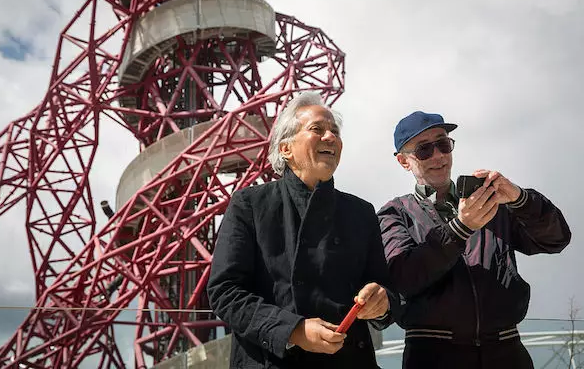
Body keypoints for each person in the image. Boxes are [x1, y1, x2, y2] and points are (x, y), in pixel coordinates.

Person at [207, 92, 394, 369]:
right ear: (286, 149)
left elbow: (385, 288)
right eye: (317, 129)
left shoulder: (361, 212)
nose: (330, 137)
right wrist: (293, 331)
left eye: (335, 131)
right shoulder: (250, 204)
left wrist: (382, 302)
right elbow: (225, 291)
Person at [378, 111, 571, 369]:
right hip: (433, 356)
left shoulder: (493, 202)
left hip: (507, 352)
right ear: (404, 161)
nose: (438, 155)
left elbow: (556, 239)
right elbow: (403, 277)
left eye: (443, 144)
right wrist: (461, 228)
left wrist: (520, 199)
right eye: (424, 150)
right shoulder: (395, 213)